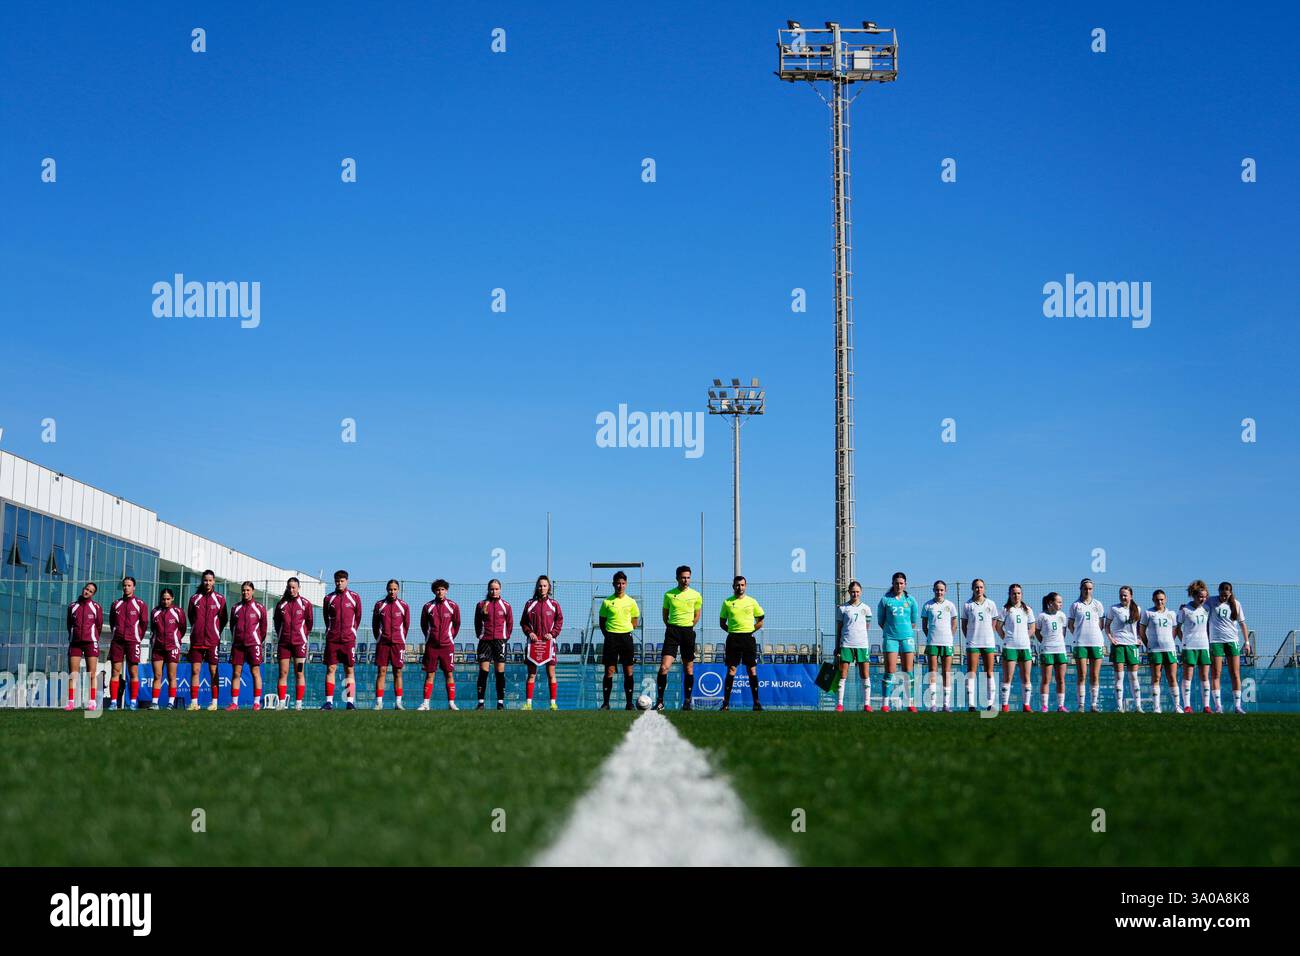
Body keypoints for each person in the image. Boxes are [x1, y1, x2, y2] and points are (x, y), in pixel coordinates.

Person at [659, 565, 702, 711]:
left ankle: (687, 701)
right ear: (677, 578)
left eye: (688, 577)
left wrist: (688, 626)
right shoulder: (669, 595)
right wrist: (672, 626)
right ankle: (660, 701)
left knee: (688, 668)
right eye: (683, 577)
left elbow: (697, 615)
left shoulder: (696, 595)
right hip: (672, 632)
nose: (685, 580)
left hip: (688, 632)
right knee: (664, 667)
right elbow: (665, 615)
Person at [720, 575, 765, 711]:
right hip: (733, 639)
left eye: (742, 585)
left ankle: (756, 703)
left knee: (751, 669)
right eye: (737, 585)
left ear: (746, 586)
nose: (740, 587)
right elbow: (722, 623)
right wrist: (733, 631)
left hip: (748, 639)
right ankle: (726, 704)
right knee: (732, 669)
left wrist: (750, 630)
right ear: (733, 586)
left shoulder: (752, 601)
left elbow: (761, 619)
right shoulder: (727, 602)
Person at [876, 571, 920, 712]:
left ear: (905, 584)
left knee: (908, 671)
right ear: (892, 584)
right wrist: (891, 631)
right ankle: (885, 704)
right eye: (896, 583)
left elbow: (913, 622)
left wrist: (904, 632)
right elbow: (881, 621)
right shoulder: (885, 600)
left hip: (907, 638)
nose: (899, 585)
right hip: (890, 638)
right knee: (890, 670)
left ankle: (910, 703)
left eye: (901, 583)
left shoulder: (911, 600)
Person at [521, 575, 564, 710]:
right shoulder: (529, 604)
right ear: (537, 587)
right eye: (540, 586)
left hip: (549, 644)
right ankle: (528, 703)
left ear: (548, 587)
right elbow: (523, 622)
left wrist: (552, 634)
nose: (542, 588)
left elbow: (559, 621)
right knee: (532, 674)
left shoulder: (554, 604)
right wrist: (530, 633)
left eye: (544, 585)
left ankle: (553, 704)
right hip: (533, 644)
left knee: (551, 673)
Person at [187, 570, 228, 711]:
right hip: (197, 641)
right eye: (205, 580)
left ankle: (214, 703)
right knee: (195, 670)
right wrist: (197, 629)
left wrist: (215, 631)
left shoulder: (220, 599)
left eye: (210, 580)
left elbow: (223, 619)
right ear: (202, 581)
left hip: (212, 641)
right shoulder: (194, 598)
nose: (208, 583)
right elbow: (191, 617)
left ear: (214, 581)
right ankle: (194, 703)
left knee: (213, 671)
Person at [599, 572, 640, 710]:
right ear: (613, 584)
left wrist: (625, 630)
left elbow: (635, 621)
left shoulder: (631, 602)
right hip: (611, 638)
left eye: (623, 583)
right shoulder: (607, 602)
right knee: (609, 670)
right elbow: (602, 622)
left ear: (626, 584)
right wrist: (609, 635)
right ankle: (606, 703)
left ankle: (629, 703)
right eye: (618, 583)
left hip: (626, 638)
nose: (620, 586)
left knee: (628, 670)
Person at [1207, 581, 1250, 714]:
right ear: (1218, 591)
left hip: (1232, 641)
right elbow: (1198, 603)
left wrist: (1247, 642)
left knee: (1235, 673)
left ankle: (1237, 706)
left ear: (1230, 593)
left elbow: (1242, 624)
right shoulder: (1211, 601)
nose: (1224, 597)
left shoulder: (1236, 604)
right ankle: (1218, 706)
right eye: (1222, 594)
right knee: (1216, 673)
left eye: (1226, 595)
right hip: (1216, 641)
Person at [321, 570, 362, 710]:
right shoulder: (328, 598)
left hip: (348, 639)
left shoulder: (355, 597)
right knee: (331, 668)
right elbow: (326, 618)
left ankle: (349, 702)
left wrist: (351, 631)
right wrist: (331, 631)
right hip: (333, 639)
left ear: (347, 581)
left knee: (349, 669)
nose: (339, 583)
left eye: (342, 581)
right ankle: (329, 702)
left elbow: (358, 617)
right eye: (337, 581)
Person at [108, 576, 149, 711]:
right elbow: (112, 622)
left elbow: (144, 623)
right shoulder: (116, 604)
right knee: (115, 671)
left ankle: (132, 702)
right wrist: (117, 633)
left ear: (134, 587)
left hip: (133, 641)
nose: (126, 588)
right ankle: (113, 702)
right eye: (125, 585)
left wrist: (137, 637)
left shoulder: (140, 604)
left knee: (133, 672)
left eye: (129, 585)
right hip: (117, 642)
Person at [419, 579, 461, 710]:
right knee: (430, 674)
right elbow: (423, 624)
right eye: (437, 589)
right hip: (431, 645)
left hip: (447, 645)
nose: (440, 592)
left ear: (446, 591)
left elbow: (457, 624)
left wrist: (449, 637)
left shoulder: (453, 606)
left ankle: (451, 703)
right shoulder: (428, 607)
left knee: (449, 673)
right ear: (434, 591)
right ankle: (426, 703)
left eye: (442, 589)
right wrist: (430, 637)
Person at [995, 584, 1037, 713]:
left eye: (1018, 593)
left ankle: (1026, 705)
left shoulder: (1028, 610)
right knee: (1008, 677)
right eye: (1013, 593)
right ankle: (1005, 706)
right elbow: (998, 627)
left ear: (1021, 594)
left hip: (1025, 647)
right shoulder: (1005, 610)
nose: (1016, 596)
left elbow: (1033, 628)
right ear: (1009, 594)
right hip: (1010, 647)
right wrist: (1007, 638)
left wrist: (1025, 638)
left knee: (1026, 677)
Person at [1139, 590, 1182, 714]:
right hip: (1155, 650)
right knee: (1156, 677)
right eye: (1157, 599)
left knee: (1172, 677)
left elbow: (1174, 631)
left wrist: (1169, 642)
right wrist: (1149, 646)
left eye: (1162, 599)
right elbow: (1142, 632)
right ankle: (1157, 707)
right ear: (1153, 600)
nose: (1160, 601)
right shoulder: (1148, 613)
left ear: (1166, 599)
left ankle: (1177, 706)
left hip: (1169, 650)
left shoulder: (1172, 614)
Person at [274, 577, 314, 710]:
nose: (291, 590)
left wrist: (302, 636)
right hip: (284, 644)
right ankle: (281, 703)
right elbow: (277, 622)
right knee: (283, 673)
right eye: (289, 587)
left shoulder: (305, 604)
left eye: (294, 587)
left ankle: (298, 703)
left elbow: (309, 623)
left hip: (299, 645)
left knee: (299, 672)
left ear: (298, 588)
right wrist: (282, 634)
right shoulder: (281, 604)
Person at [1067, 578, 1106, 712]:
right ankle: (1081, 705)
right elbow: (1071, 625)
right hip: (1080, 643)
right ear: (1081, 589)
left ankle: (1094, 705)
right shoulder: (1075, 605)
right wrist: (1078, 635)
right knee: (1082, 674)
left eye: (1090, 588)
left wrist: (1093, 634)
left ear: (1092, 589)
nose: (1087, 591)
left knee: (1095, 675)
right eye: (1085, 588)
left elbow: (1101, 625)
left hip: (1096, 643)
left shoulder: (1098, 605)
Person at [474, 579, 514, 709]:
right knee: (483, 672)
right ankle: (480, 703)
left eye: (496, 589)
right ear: (488, 590)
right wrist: (480, 635)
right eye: (491, 589)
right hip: (485, 641)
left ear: (500, 590)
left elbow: (510, 624)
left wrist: (504, 637)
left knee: (499, 673)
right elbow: (477, 623)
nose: (494, 591)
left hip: (499, 642)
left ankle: (500, 703)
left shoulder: (506, 606)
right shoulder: (481, 605)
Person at [228, 581, 267, 711]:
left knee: (255, 672)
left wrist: (256, 640)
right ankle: (234, 703)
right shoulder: (235, 608)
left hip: (253, 644)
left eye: (248, 590)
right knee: (236, 673)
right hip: (238, 645)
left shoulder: (259, 608)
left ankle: (256, 703)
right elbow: (232, 626)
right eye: (243, 590)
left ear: (253, 591)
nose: (245, 592)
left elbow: (263, 629)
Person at [373, 579, 411, 710]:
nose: (392, 591)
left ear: (398, 590)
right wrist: (379, 638)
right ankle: (379, 702)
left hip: (398, 643)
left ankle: (398, 702)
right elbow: (375, 624)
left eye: (395, 589)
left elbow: (406, 625)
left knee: (398, 672)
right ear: (386, 589)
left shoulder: (404, 606)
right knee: (381, 671)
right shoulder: (379, 605)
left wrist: (399, 638)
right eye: (390, 589)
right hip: (383, 643)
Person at [835, 580, 873, 712]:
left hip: (862, 645)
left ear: (861, 592)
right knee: (843, 674)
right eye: (853, 592)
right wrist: (837, 646)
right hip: (846, 644)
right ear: (849, 592)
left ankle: (867, 704)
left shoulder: (866, 609)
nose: (855, 594)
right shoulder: (843, 608)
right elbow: (839, 629)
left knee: (865, 674)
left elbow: (867, 627)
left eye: (857, 591)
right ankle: (840, 704)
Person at [1105, 586, 1144, 713]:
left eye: (1125, 595)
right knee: (1119, 677)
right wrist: (1111, 639)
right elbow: (1107, 626)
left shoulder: (1137, 609)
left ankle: (1138, 706)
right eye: (1121, 595)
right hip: (1119, 645)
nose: (1123, 597)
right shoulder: (1114, 608)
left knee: (1134, 676)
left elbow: (1140, 627)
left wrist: (1139, 639)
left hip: (1132, 646)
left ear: (1131, 596)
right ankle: (1119, 707)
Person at [65, 582, 103, 711]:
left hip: (90, 642)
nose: (87, 592)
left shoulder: (96, 607)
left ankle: (92, 702)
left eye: (90, 591)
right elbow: (69, 624)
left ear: (93, 594)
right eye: (86, 589)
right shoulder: (72, 606)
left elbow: (99, 626)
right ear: (83, 589)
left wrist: (93, 638)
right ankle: (70, 702)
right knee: (73, 674)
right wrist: (73, 636)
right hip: (75, 643)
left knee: (91, 673)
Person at [962, 578, 999, 711]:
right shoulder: (968, 605)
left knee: (989, 672)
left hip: (988, 642)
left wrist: (988, 634)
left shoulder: (991, 604)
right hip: (973, 643)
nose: (979, 589)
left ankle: (990, 703)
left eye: (981, 587)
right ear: (972, 589)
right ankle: (971, 704)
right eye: (976, 587)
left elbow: (994, 622)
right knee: (971, 672)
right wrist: (971, 638)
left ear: (984, 588)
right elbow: (964, 625)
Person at [1177, 580, 1213, 714]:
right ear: (1193, 595)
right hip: (1189, 647)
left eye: (1204, 596)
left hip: (1203, 646)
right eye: (1200, 596)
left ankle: (1207, 706)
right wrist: (1184, 641)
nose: (1202, 599)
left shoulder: (1207, 608)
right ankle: (1187, 706)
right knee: (1188, 676)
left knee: (1204, 676)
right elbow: (1177, 628)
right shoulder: (1185, 609)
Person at [921, 580, 957, 712]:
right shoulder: (928, 605)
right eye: (937, 589)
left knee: (946, 672)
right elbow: (924, 626)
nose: (939, 592)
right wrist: (931, 636)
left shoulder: (950, 605)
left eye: (941, 590)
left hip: (947, 642)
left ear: (945, 591)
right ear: (933, 590)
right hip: (932, 642)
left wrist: (949, 637)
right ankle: (933, 704)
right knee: (933, 672)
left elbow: (954, 624)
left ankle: (946, 704)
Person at [149, 588, 186, 710]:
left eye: (168, 599)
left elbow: (182, 628)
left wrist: (175, 640)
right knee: (157, 675)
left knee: (171, 675)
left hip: (172, 647)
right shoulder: (155, 611)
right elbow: (153, 628)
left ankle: (170, 703)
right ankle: (154, 703)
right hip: (157, 648)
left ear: (173, 598)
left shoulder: (178, 611)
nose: (165, 601)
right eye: (163, 599)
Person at [1037, 592, 1069, 712]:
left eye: (1061, 602)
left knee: (1061, 679)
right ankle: (1044, 706)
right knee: (1046, 679)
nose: (1061, 604)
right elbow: (1037, 631)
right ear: (1051, 602)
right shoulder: (1042, 616)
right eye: (1059, 602)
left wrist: (1058, 642)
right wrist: (1044, 642)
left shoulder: (1062, 616)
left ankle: (1061, 706)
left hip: (1060, 650)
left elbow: (1063, 632)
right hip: (1047, 650)